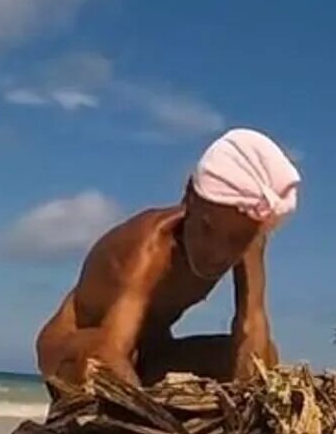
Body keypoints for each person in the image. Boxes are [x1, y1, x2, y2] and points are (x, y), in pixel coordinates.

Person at [35, 127, 301, 398]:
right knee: (96, 363)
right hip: (75, 346)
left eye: (237, 240)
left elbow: (251, 324)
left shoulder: (248, 240)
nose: (218, 253)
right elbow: (111, 352)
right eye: (207, 229)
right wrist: (154, 422)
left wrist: (250, 408)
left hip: (149, 354)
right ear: (189, 196)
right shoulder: (150, 249)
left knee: (265, 355)